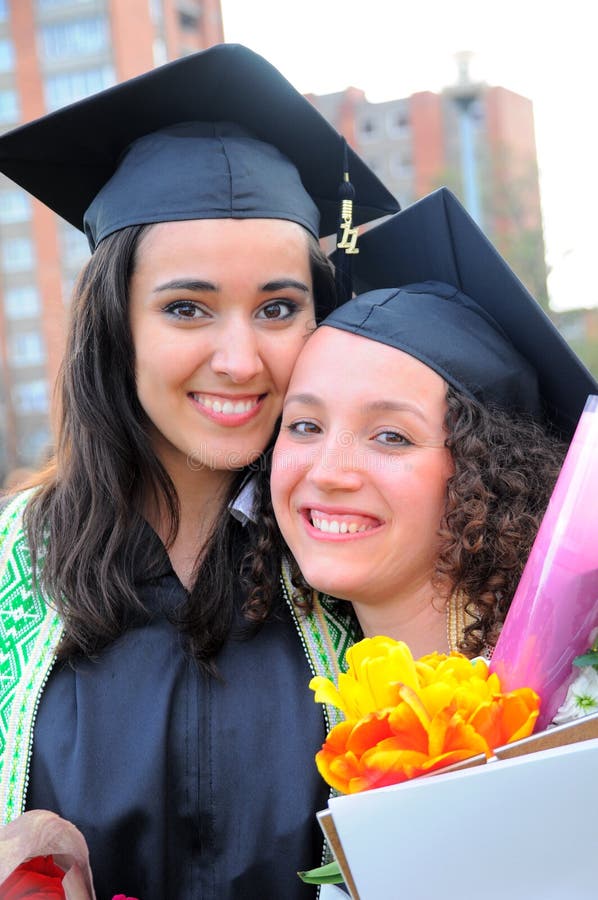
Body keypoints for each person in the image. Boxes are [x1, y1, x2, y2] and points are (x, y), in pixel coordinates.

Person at [0, 44, 398, 900]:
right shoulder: (10, 569)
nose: (240, 357)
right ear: (119, 325)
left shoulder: (372, 558)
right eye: (187, 307)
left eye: (278, 308)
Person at [271, 188, 598, 675]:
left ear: (489, 473)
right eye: (304, 426)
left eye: (390, 437)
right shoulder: (299, 706)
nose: (328, 471)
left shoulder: (568, 699)